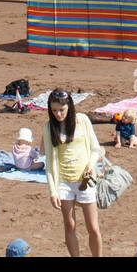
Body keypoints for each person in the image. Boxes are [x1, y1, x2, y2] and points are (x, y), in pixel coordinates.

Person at [42, 89, 104, 257]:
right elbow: (49, 163)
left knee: (93, 227)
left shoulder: (82, 120)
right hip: (63, 182)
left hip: (85, 179)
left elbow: (96, 148)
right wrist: (53, 191)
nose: (58, 114)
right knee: (69, 225)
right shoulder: (49, 127)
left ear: (69, 106)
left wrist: (91, 165)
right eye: (54, 110)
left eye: (61, 110)